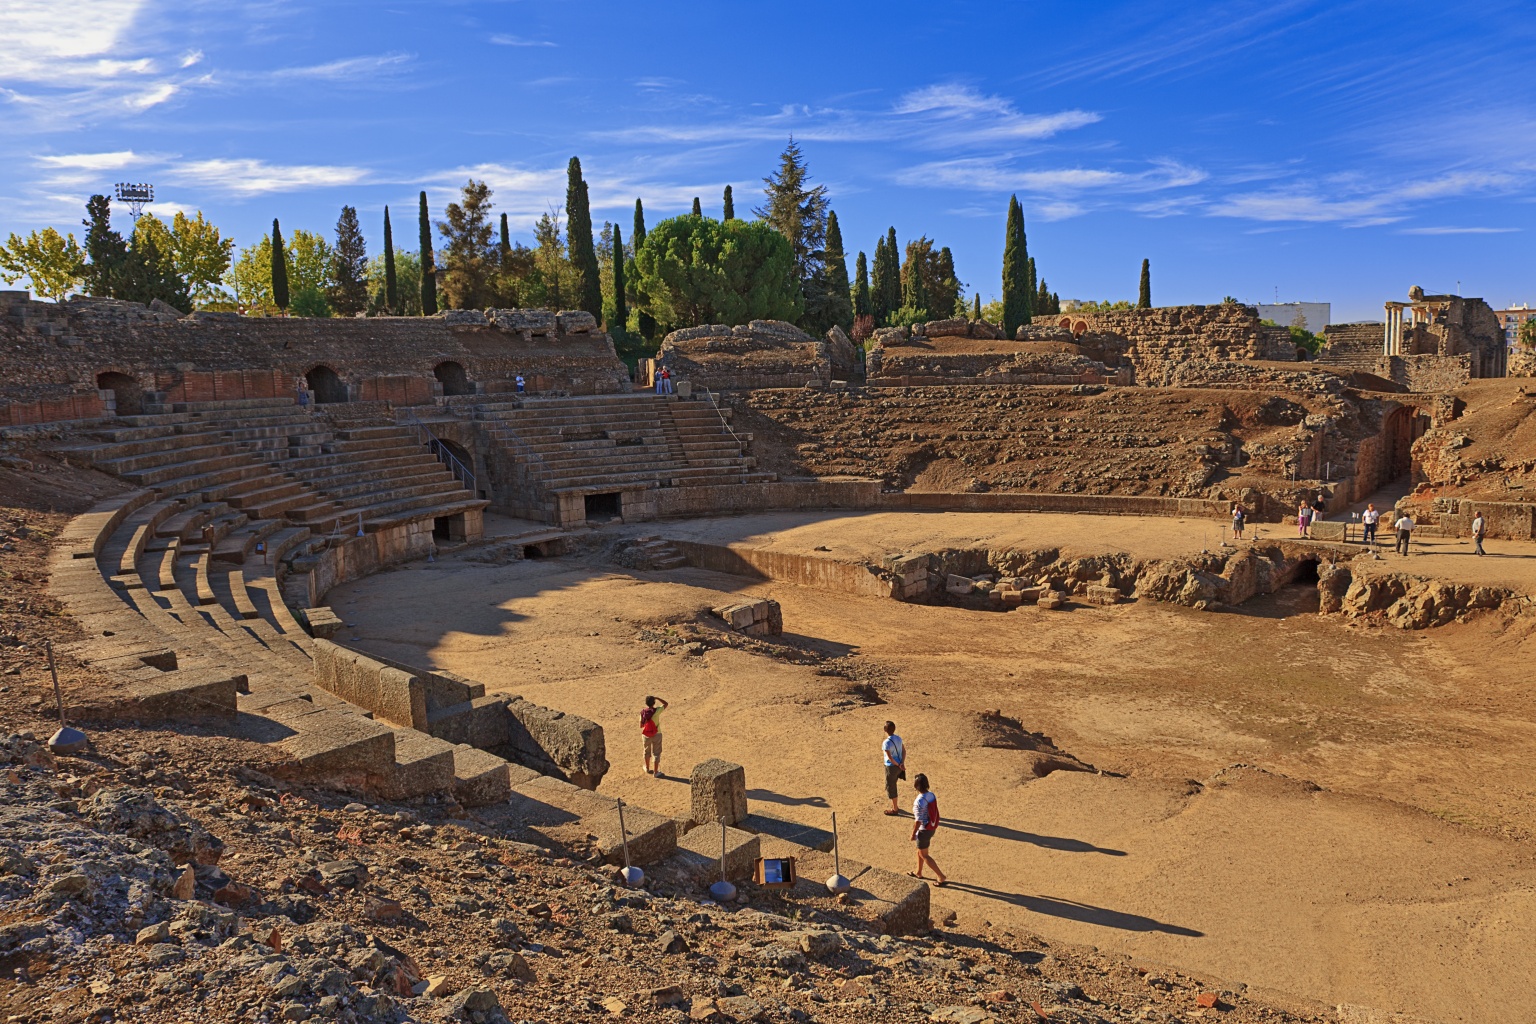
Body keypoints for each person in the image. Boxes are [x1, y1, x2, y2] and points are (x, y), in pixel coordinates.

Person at [908, 773, 946, 887]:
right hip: (931, 827)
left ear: (916, 786)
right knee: (920, 851)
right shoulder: (931, 795)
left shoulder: (919, 802)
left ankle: (941, 876)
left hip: (923, 830)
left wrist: (913, 834)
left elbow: (918, 821)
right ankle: (918, 872)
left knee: (924, 855)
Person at [881, 721, 906, 816]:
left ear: (885, 730)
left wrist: (898, 764)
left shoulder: (886, 743)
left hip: (891, 767)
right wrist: (901, 763)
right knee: (893, 784)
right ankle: (895, 805)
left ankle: (895, 809)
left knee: (891, 787)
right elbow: (904, 751)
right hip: (899, 765)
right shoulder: (899, 738)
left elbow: (890, 758)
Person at [640, 695, 668, 778]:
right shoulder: (657, 711)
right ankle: (656, 772)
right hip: (657, 733)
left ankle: (647, 768)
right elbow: (666, 704)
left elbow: (641, 725)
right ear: (654, 703)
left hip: (646, 734)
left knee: (646, 751)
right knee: (656, 753)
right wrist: (658, 698)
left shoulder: (643, 712)